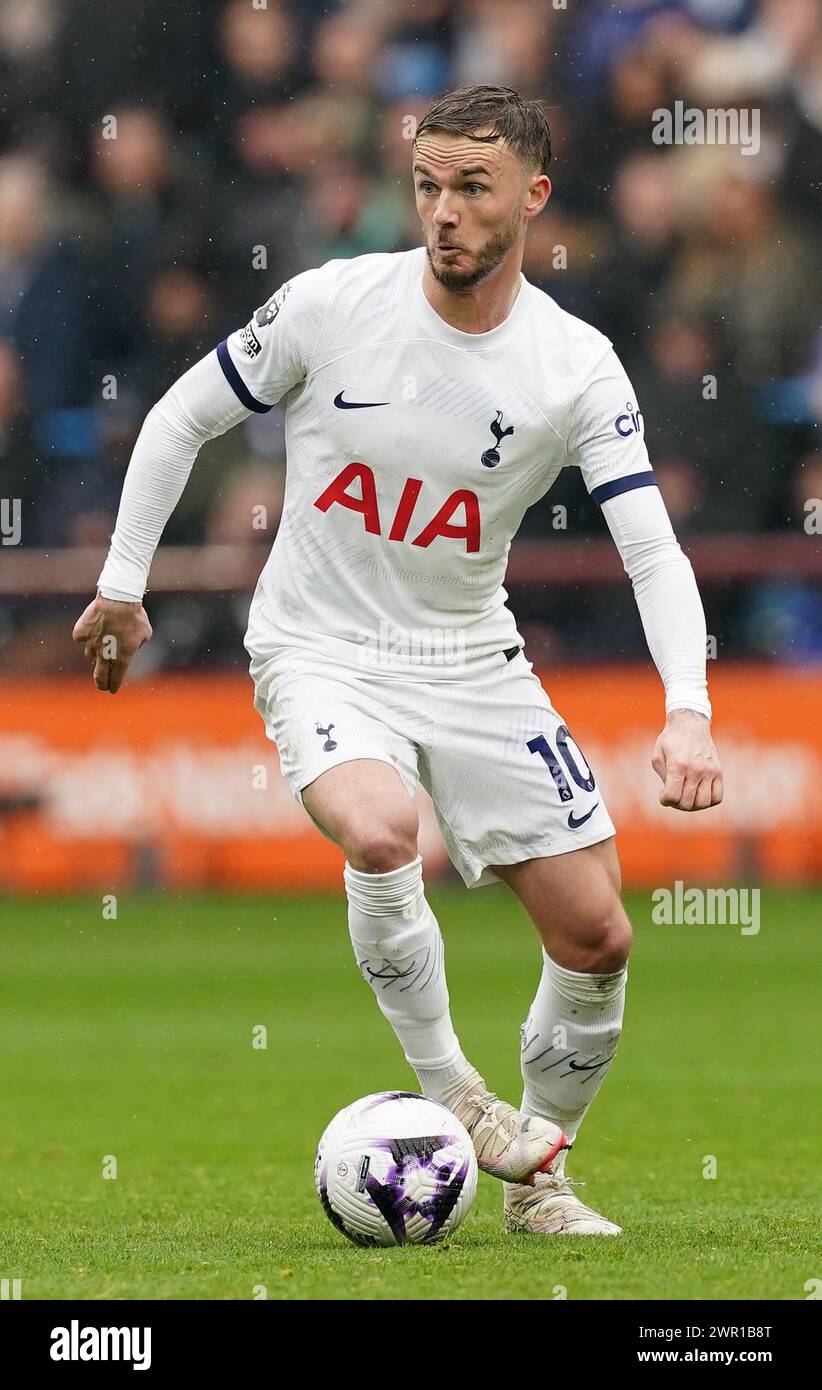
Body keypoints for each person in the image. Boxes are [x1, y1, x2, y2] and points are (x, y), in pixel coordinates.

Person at [73, 85, 723, 1236]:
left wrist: (689, 709)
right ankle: (450, 1093)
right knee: (382, 831)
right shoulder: (335, 303)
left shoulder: (574, 366)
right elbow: (181, 414)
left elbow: (653, 550)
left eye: (472, 188)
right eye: (428, 185)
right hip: (320, 642)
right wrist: (124, 584)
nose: (443, 212)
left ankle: (540, 1186)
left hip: (472, 654)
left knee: (598, 934)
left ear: (534, 194)